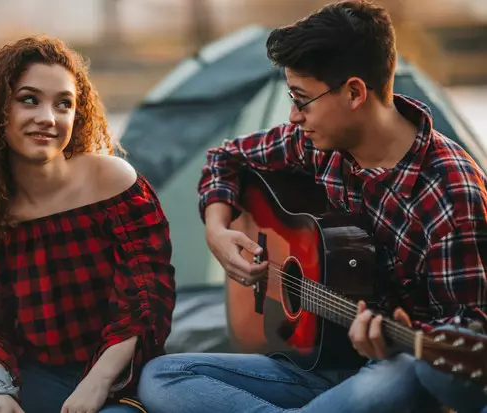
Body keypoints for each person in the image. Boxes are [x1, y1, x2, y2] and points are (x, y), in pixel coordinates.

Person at [137, 1, 487, 412]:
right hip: (314, 365)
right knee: (161, 375)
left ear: (355, 92)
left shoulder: (450, 191)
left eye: (302, 100)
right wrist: (216, 229)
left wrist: (395, 338)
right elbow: (225, 158)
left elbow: (466, 334)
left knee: (411, 373)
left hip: (389, 368)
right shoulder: (315, 142)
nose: (292, 116)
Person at [0, 35, 176, 413]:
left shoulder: (114, 185)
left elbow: (147, 300)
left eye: (63, 104)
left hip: (118, 376)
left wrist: (96, 384)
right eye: (28, 99)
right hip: (30, 377)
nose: (48, 118)